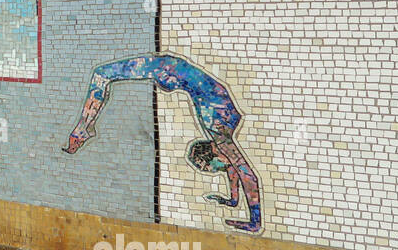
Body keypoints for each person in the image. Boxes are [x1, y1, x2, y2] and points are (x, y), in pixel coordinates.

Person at [61, 53, 262, 233]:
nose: (219, 170)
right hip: (167, 68)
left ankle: (84, 129)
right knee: (102, 73)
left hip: (171, 69)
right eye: (210, 168)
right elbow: (247, 174)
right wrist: (255, 221)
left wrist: (233, 199)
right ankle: (82, 130)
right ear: (213, 154)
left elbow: (233, 168)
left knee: (104, 75)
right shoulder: (217, 129)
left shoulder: (224, 131)